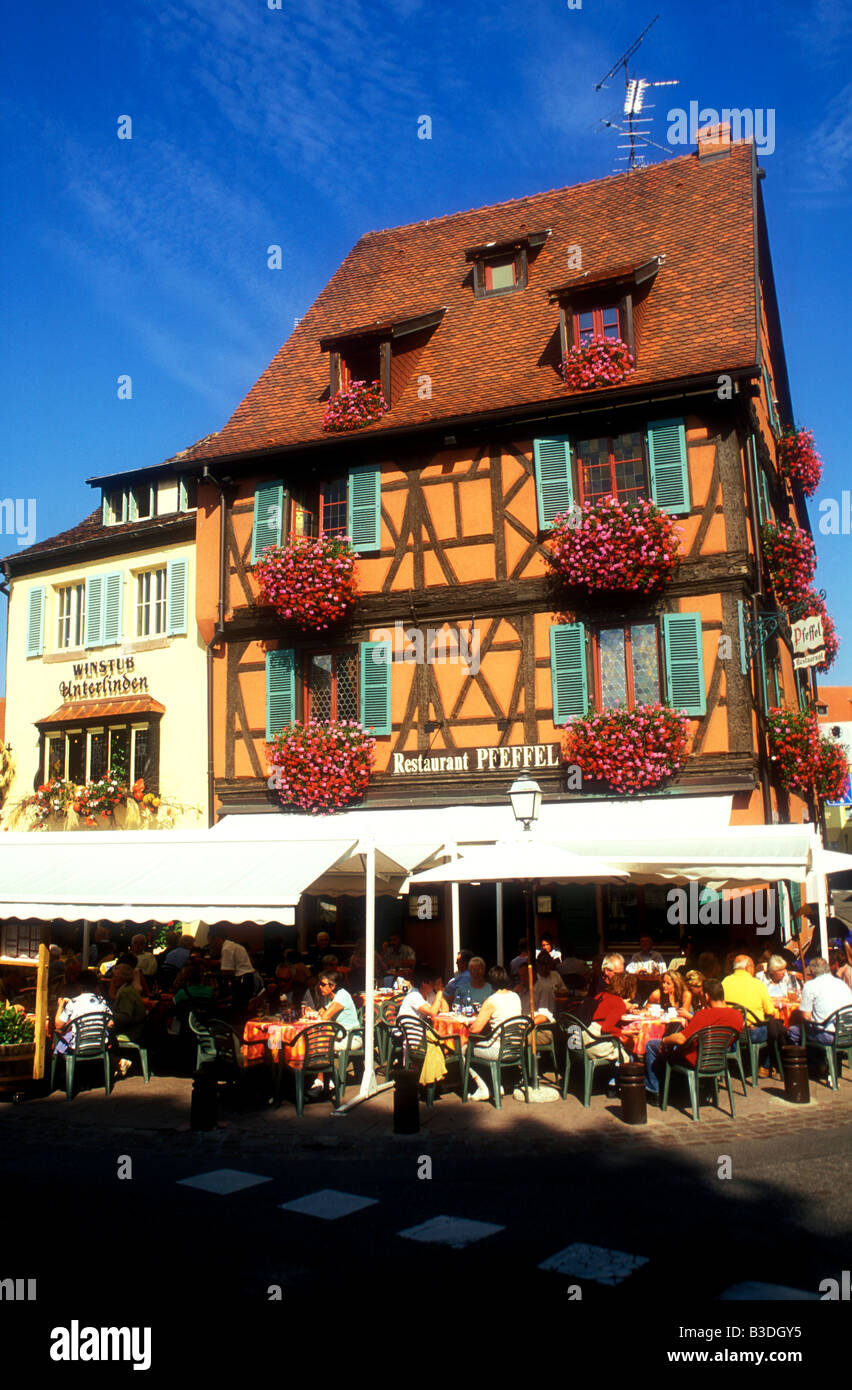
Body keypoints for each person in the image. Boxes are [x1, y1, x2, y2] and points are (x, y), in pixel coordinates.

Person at [643, 978, 744, 1100]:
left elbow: (681, 1039)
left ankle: (653, 1091)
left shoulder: (703, 1015)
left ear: (706, 996)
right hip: (718, 1059)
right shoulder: (738, 1016)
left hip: (693, 1059)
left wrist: (665, 1040)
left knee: (651, 1044)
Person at [467, 966, 524, 1100]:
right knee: (483, 1044)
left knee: (465, 1049)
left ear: (490, 982)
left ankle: (482, 1088)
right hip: (516, 1047)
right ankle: (496, 1085)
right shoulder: (515, 996)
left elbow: (475, 1029)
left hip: (499, 1050)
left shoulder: (491, 1001)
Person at [314, 970, 362, 1094]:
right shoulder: (328, 998)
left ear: (333, 986)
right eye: (319, 983)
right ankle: (326, 1078)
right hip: (340, 1036)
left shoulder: (342, 995)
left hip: (352, 1037)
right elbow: (322, 1012)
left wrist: (320, 1014)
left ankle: (322, 1080)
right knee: (317, 1042)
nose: (320, 986)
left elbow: (325, 1017)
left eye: (323, 984)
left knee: (320, 1045)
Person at [788, 957, 852, 1046]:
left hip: (829, 1036)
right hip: (847, 1034)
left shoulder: (810, 985)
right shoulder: (842, 984)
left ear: (812, 971)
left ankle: (807, 1059)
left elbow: (805, 1016)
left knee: (793, 1031)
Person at [53, 972, 114, 1057]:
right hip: (100, 1046)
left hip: (78, 1048)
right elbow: (111, 1022)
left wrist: (61, 1006)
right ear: (96, 986)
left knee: (63, 1038)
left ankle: (58, 1065)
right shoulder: (101, 1001)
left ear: (78, 986)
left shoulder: (73, 1003)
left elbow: (58, 1025)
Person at [722, 954, 776, 1044]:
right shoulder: (758, 984)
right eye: (753, 967)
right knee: (774, 1032)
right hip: (753, 1032)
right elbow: (770, 1011)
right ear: (747, 968)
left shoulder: (724, 982)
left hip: (731, 1033)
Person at [217, 932, 257, 1016]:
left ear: (216, 939)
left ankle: (238, 1025)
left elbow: (229, 971)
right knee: (244, 1006)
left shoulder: (226, 948)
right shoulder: (233, 946)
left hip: (242, 980)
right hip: (248, 978)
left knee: (240, 1007)